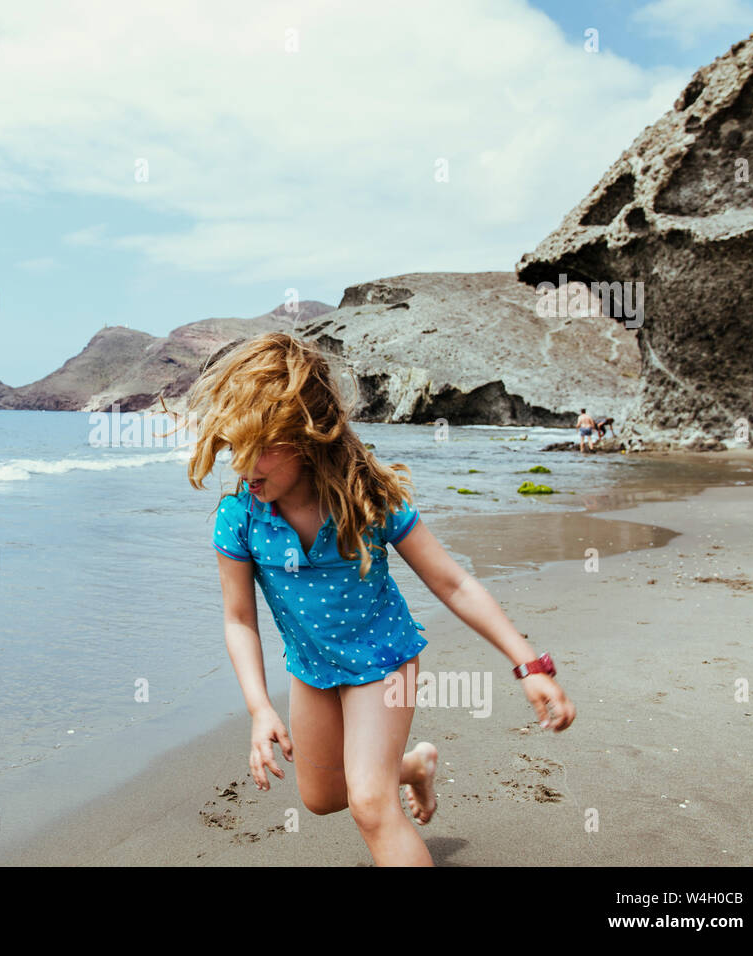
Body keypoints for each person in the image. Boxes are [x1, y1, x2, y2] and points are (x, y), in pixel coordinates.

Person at [176, 333, 576, 866]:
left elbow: (452, 583)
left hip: (384, 663)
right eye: (235, 447)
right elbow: (239, 619)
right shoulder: (240, 518)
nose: (247, 466)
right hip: (313, 668)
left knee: (370, 805)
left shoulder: (367, 497)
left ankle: (386, 783)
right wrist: (258, 707)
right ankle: (411, 767)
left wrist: (530, 665)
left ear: (307, 434)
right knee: (322, 800)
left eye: (263, 447)